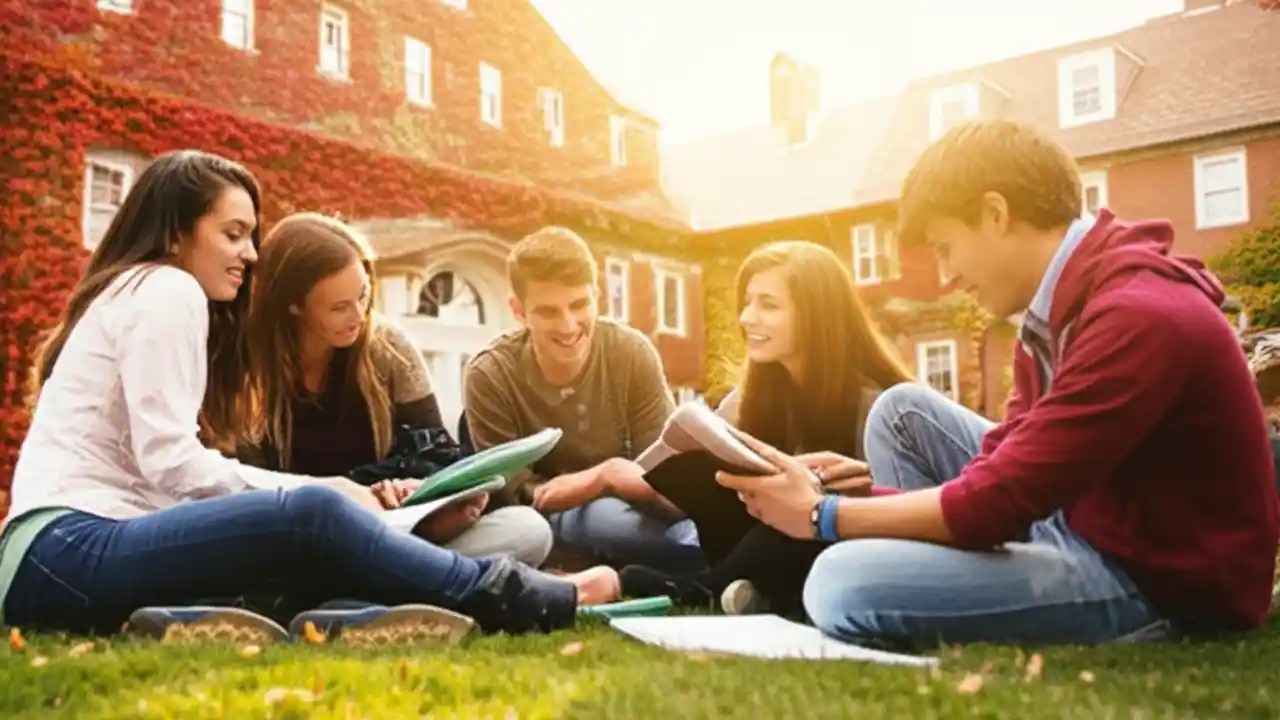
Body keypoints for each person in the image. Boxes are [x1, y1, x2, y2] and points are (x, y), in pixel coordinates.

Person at [0, 150, 617, 644]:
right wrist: (323, 492)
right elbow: (171, 463)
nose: (250, 253)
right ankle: (519, 595)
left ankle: (311, 615)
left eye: (252, 235)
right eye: (234, 233)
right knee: (313, 516)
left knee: (300, 540)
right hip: (65, 547)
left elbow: (166, 488)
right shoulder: (168, 290)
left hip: (68, 556)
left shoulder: (144, 293)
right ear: (176, 234)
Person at [717, 119, 1279, 648]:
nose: (949, 275)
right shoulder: (1056, 311)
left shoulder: (1138, 315)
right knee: (902, 411)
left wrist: (822, 516)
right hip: (1085, 519)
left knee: (839, 582)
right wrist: (841, 495)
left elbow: (998, 501)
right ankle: (938, 587)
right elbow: (1000, 467)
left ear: (994, 214)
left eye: (945, 247)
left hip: (1157, 578)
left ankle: (928, 593)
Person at [618, 240, 914, 615]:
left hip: (843, 545)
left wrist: (853, 483)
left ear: (817, 316)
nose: (747, 318)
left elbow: (913, 503)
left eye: (768, 305)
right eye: (747, 302)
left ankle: (704, 590)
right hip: (748, 545)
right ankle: (751, 591)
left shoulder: (879, 406)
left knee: (791, 513)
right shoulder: (745, 402)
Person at [242, 212, 552, 567]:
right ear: (294, 305)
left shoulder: (385, 346)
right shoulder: (249, 369)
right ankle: (419, 577)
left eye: (363, 296)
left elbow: (437, 451)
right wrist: (353, 491)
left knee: (527, 529)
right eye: (339, 307)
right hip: (300, 537)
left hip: (394, 528)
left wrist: (407, 484)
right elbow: (244, 486)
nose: (358, 315)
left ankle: (392, 580)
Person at [463, 227, 704, 573]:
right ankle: (712, 560)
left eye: (579, 304)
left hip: (637, 498)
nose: (568, 325)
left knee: (679, 528)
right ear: (518, 311)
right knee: (610, 523)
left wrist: (616, 480)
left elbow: (662, 471)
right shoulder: (491, 373)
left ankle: (709, 557)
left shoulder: (631, 352)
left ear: (597, 296)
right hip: (556, 516)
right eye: (548, 312)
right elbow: (522, 496)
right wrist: (601, 478)